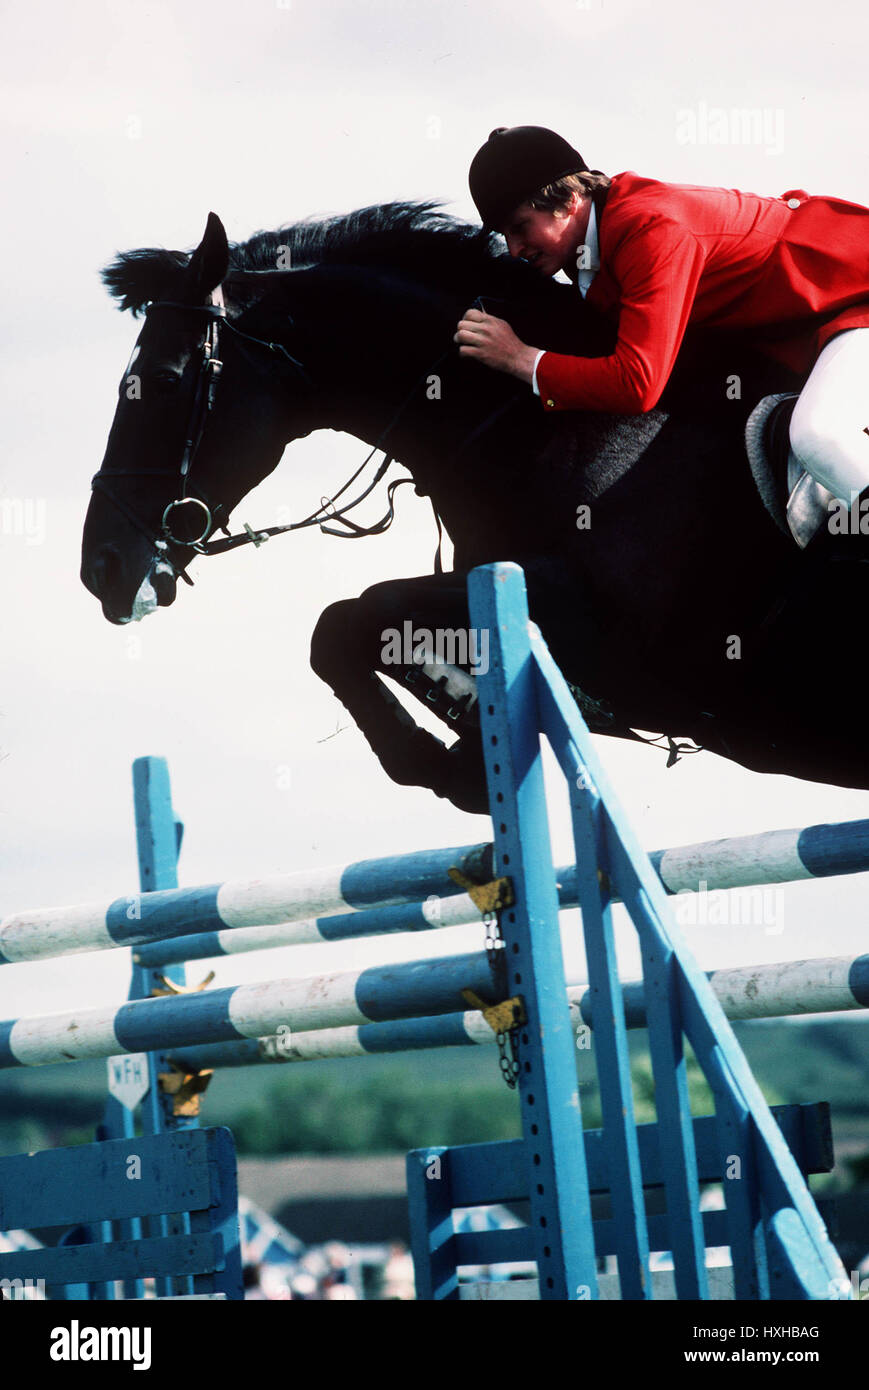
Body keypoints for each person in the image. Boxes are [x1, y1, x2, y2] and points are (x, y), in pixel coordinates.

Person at [456, 125, 869, 545]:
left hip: (855, 297)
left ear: (567, 198)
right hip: (810, 327)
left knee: (818, 436)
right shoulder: (587, 255)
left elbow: (637, 385)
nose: (513, 249)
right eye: (505, 235)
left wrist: (519, 359)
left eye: (520, 226)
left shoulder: (649, 227)